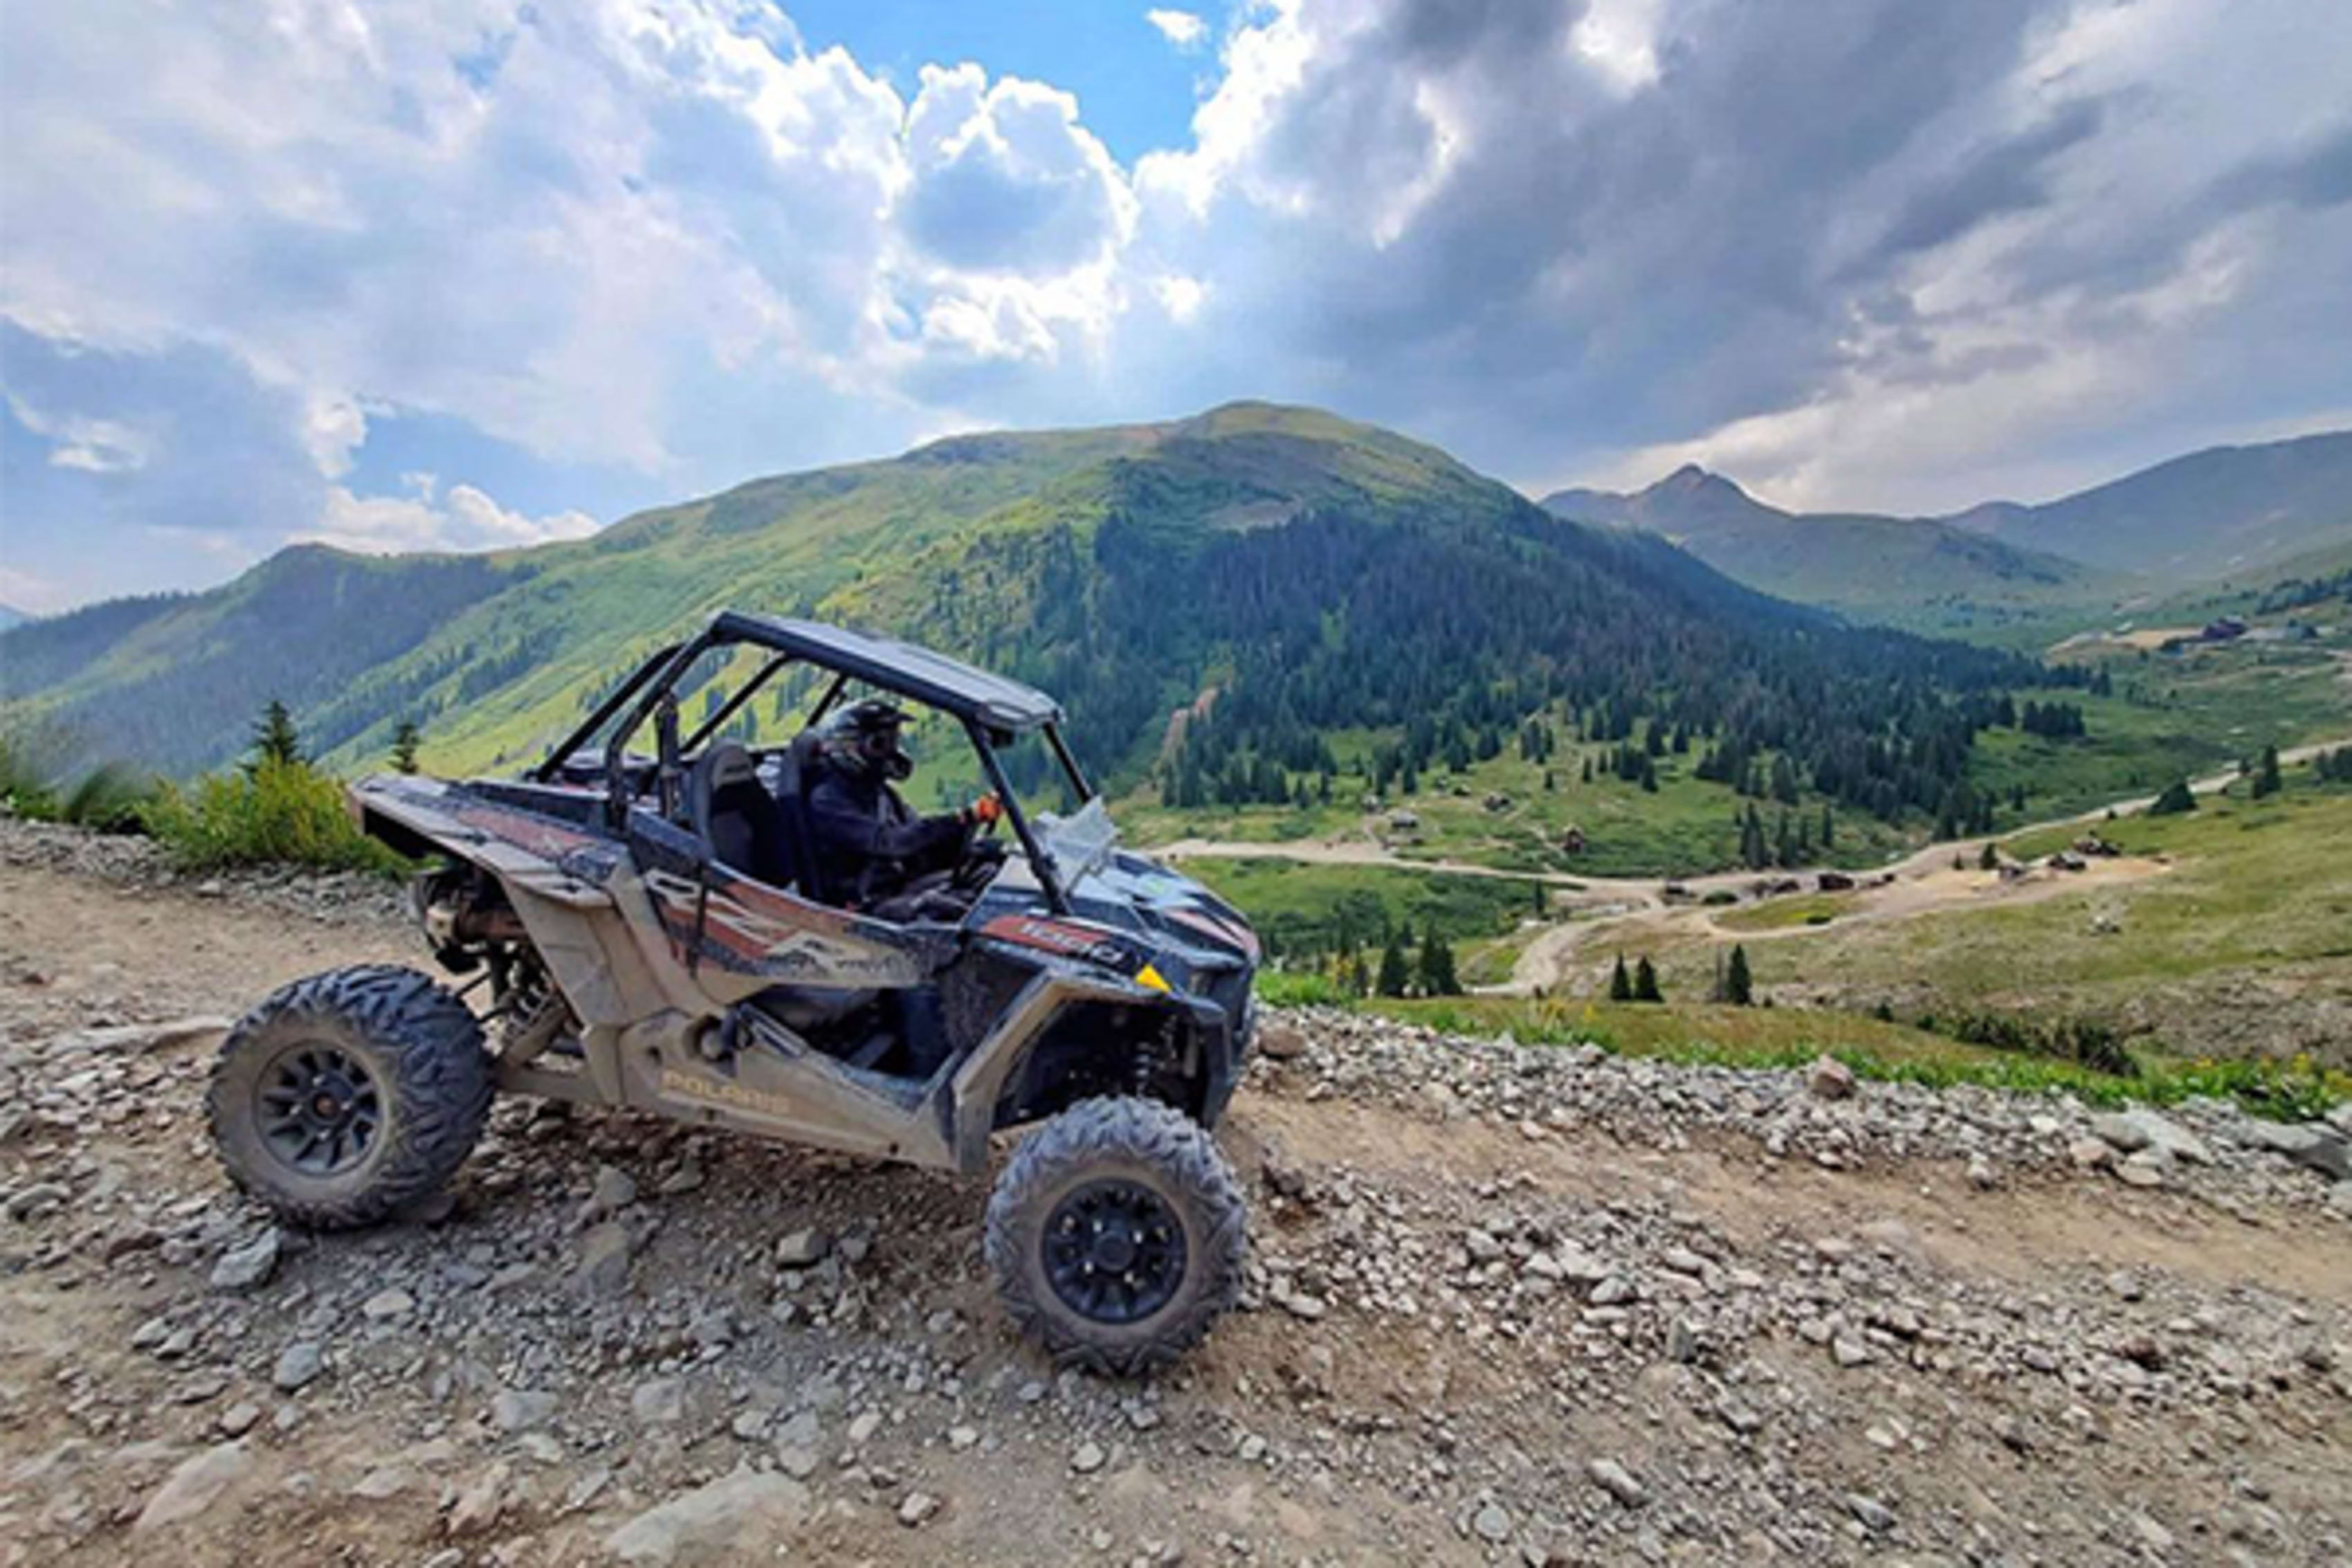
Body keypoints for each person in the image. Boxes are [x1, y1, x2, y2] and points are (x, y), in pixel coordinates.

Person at [803, 698, 1001, 918]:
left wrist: (968, 831)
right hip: (861, 906)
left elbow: (916, 837)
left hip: (899, 886)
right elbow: (889, 842)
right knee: (945, 909)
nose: (892, 751)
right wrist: (961, 818)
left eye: (894, 741)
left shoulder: (879, 793)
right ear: (850, 746)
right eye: (881, 743)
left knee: (987, 874)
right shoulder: (828, 800)